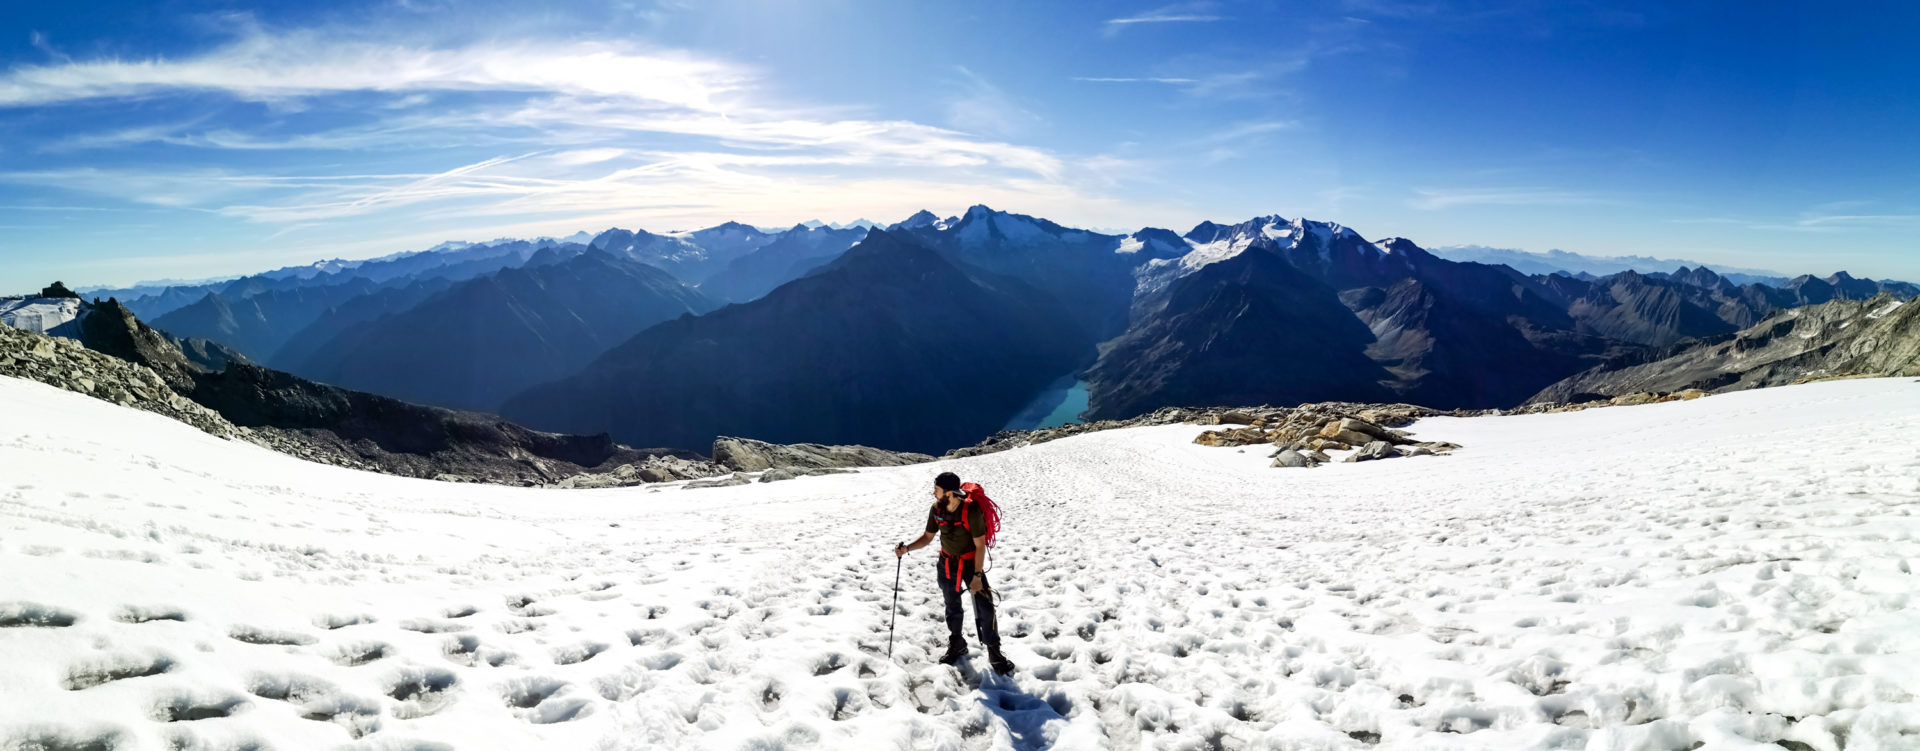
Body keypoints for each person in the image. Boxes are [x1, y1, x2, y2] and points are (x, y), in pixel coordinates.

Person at [895, 471, 1014, 674]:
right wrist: (907, 549)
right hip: (947, 563)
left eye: (937, 490)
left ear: (949, 492)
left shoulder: (971, 510)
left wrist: (977, 576)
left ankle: (994, 651)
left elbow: (979, 545)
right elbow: (928, 536)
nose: (933, 493)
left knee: (985, 607)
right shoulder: (936, 509)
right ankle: (957, 643)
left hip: (970, 565)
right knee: (952, 606)